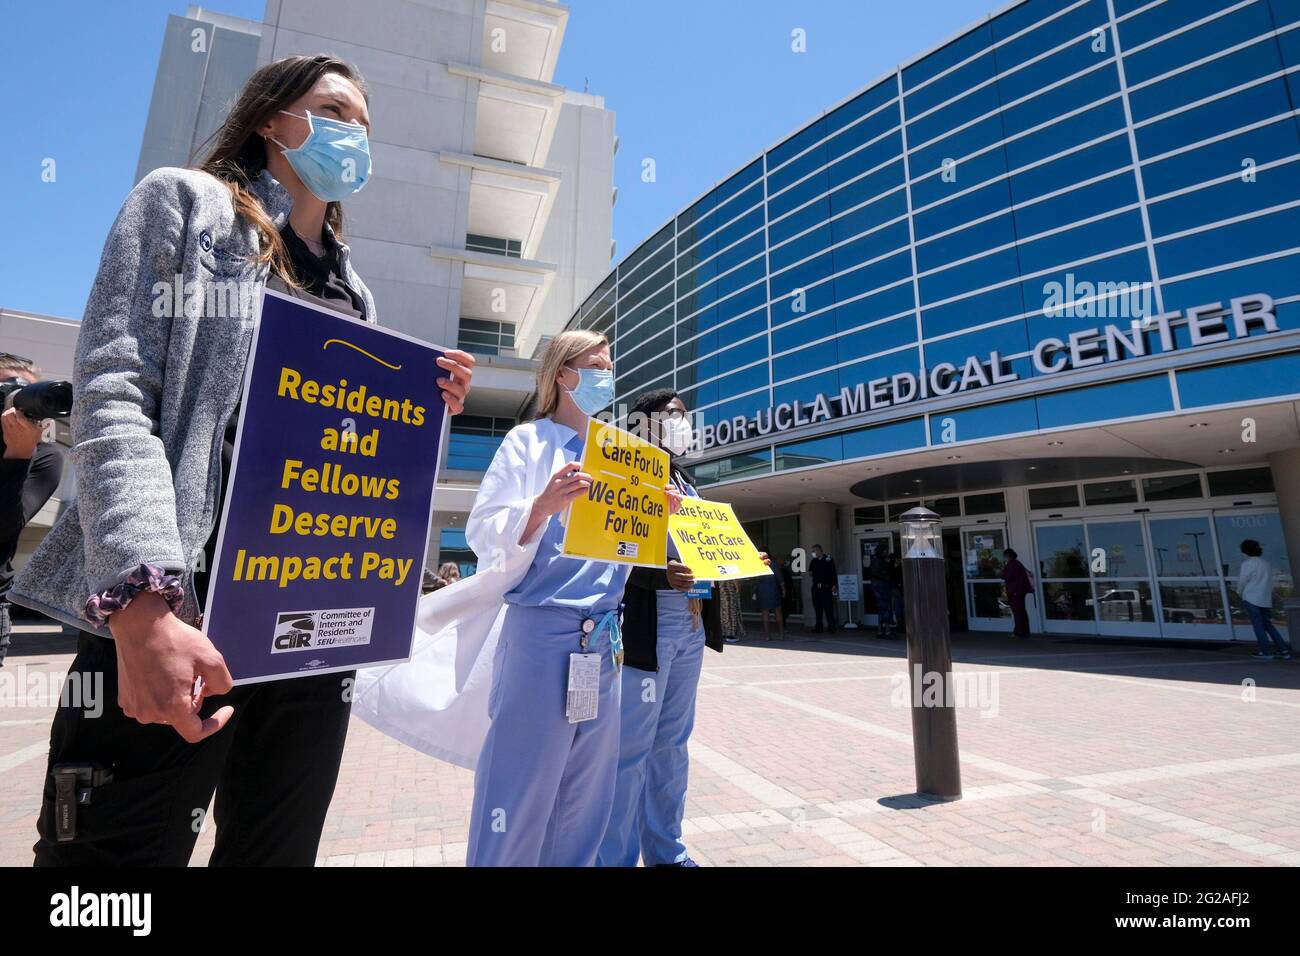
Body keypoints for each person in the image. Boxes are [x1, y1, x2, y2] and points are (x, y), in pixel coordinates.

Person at [10, 55, 475, 866]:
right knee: (110, 872)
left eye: (365, 125)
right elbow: (113, 392)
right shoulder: (183, 204)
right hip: (179, 614)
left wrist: (418, 408)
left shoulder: (353, 292)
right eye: (334, 111)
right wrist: (143, 604)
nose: (353, 135)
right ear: (270, 118)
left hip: (303, 635)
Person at [598, 388, 720, 868]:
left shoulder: (687, 479)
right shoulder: (628, 473)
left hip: (690, 624)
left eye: (686, 416)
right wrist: (659, 573)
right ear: (644, 423)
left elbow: (699, 545)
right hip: (647, 627)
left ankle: (668, 852)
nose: (682, 423)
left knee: (672, 746)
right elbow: (608, 549)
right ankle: (616, 857)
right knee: (630, 751)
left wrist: (734, 563)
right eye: (672, 415)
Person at [0, 354, 66, 667]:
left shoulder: (43, 457)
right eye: (6, 388)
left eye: (25, 390)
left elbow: (5, 526)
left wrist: (18, 455)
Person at [1238, 539, 1292, 660]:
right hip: (1264, 598)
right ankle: (1283, 650)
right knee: (1268, 625)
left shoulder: (1247, 564)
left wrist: (1239, 592)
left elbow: (1242, 581)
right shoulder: (1266, 563)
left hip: (1251, 598)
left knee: (1258, 625)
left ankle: (1266, 651)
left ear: (1244, 551)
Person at [752, 547, 785, 641]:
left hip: (762, 590)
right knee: (778, 611)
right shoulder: (773, 564)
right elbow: (780, 578)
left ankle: (767, 635)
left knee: (765, 613)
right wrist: (783, 589)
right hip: (773, 589)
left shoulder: (757, 564)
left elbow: (755, 579)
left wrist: (754, 591)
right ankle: (781, 634)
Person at [1001, 548, 1033, 639]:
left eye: (1004, 556)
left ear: (1008, 556)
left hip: (1015, 591)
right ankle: (1023, 631)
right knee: (1021, 611)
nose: (1004, 558)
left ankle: (1020, 632)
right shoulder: (1018, 564)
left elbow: (1005, 576)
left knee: (1017, 612)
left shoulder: (1012, 565)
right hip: (1019, 591)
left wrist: (1002, 570)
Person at [809, 543, 838, 634]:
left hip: (826, 587)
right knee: (818, 608)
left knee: (828, 608)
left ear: (819, 550)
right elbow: (810, 572)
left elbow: (833, 572)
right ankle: (819, 627)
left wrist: (833, 585)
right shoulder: (814, 561)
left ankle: (831, 627)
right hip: (816, 588)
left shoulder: (828, 559)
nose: (813, 553)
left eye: (814, 551)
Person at [869, 543, 895, 639]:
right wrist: (885, 577)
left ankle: (880, 630)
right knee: (885, 608)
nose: (886, 553)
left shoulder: (880, 560)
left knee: (881, 609)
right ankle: (886, 630)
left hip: (881, 587)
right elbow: (875, 573)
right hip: (881, 587)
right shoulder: (878, 561)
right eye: (885, 551)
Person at [719, 579, 745, 643]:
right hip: (729, 592)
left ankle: (724, 633)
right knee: (731, 614)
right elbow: (735, 581)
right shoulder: (730, 570)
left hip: (721, 593)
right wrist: (737, 589)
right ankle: (730, 635)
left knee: (723, 614)